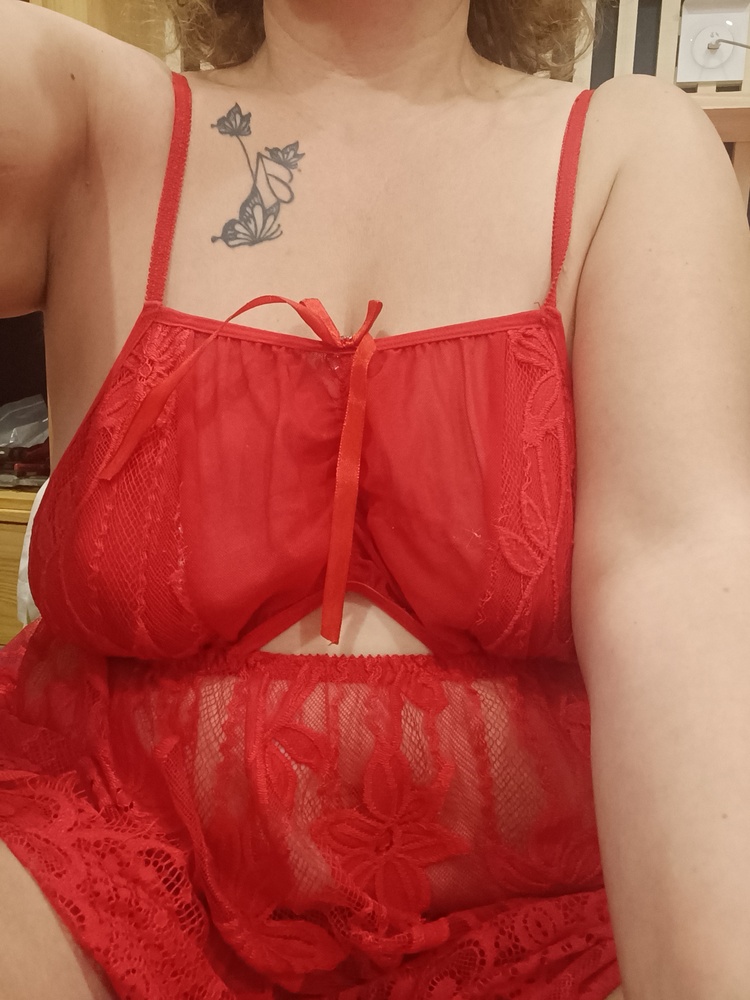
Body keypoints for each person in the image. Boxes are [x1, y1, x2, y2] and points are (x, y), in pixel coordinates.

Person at [1, 0, 749, 996]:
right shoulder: (93, 113)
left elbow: (679, 580)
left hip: (548, 936)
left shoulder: (631, 148)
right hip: (102, 876)